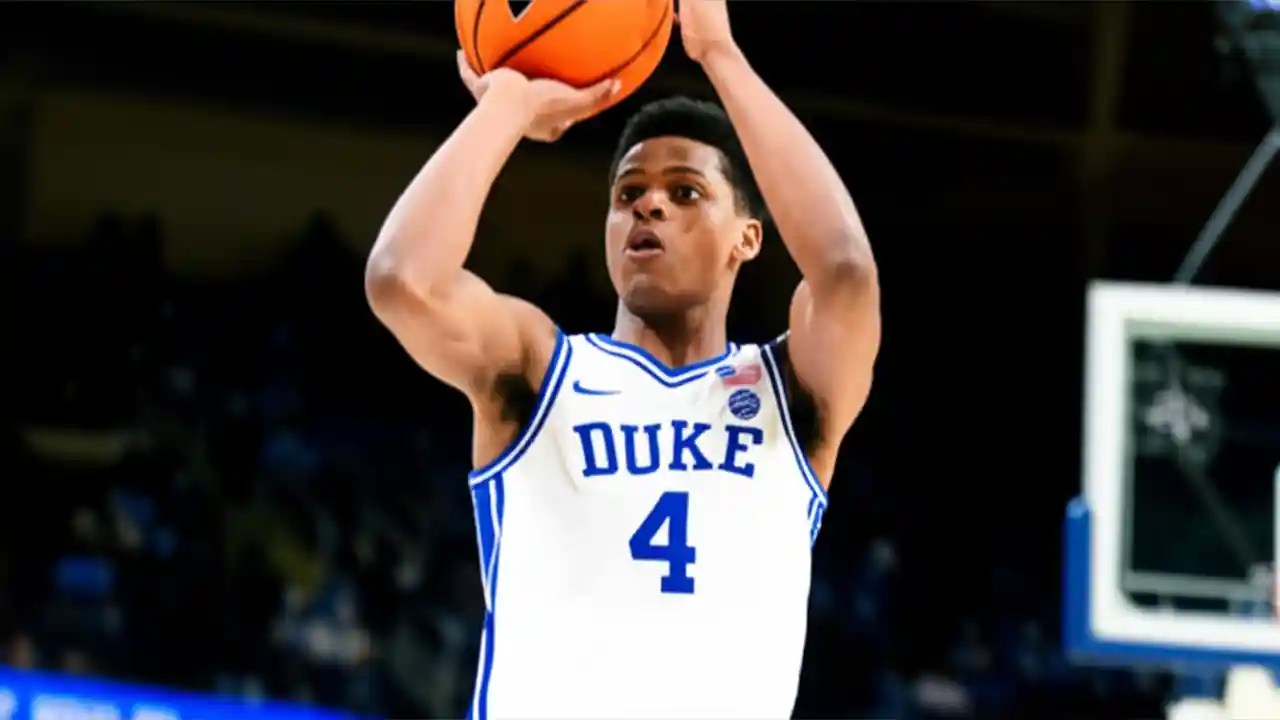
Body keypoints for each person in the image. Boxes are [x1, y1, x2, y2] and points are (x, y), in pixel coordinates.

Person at [363, 1, 880, 717]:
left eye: (685, 192)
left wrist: (720, 54)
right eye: (628, 193)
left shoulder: (790, 395)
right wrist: (508, 102)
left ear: (748, 237)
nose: (649, 207)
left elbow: (846, 271)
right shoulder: (540, 369)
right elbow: (401, 280)